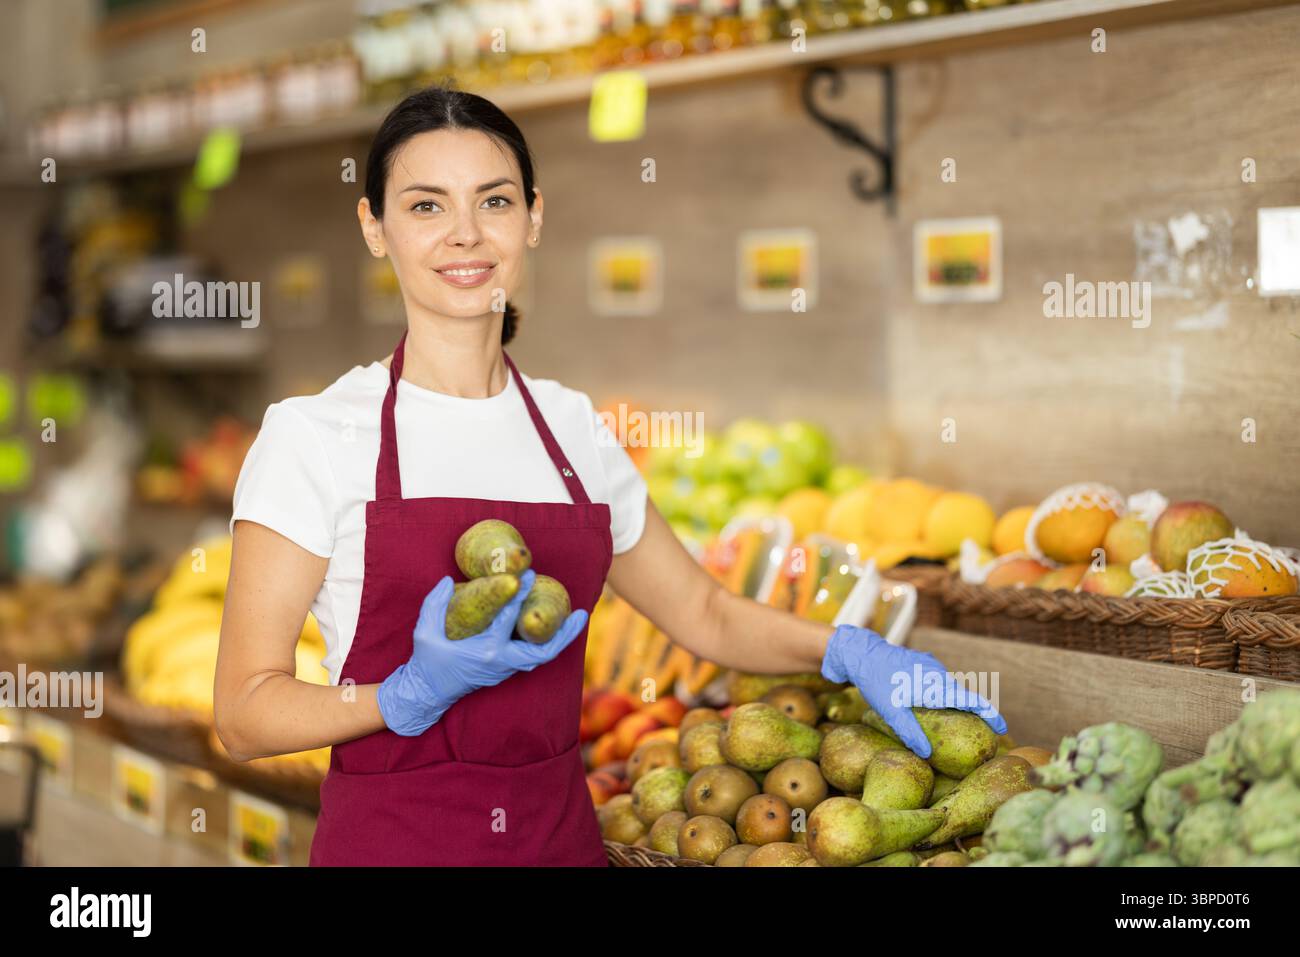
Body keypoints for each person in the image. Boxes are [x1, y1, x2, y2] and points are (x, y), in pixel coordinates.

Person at [213, 86, 1004, 867]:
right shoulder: (315, 435)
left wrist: (851, 651)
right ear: (374, 227)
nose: (464, 234)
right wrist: (398, 697)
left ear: (533, 217)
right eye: (426, 206)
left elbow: (704, 611)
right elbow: (244, 713)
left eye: (493, 201)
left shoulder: (572, 431)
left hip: (560, 847)